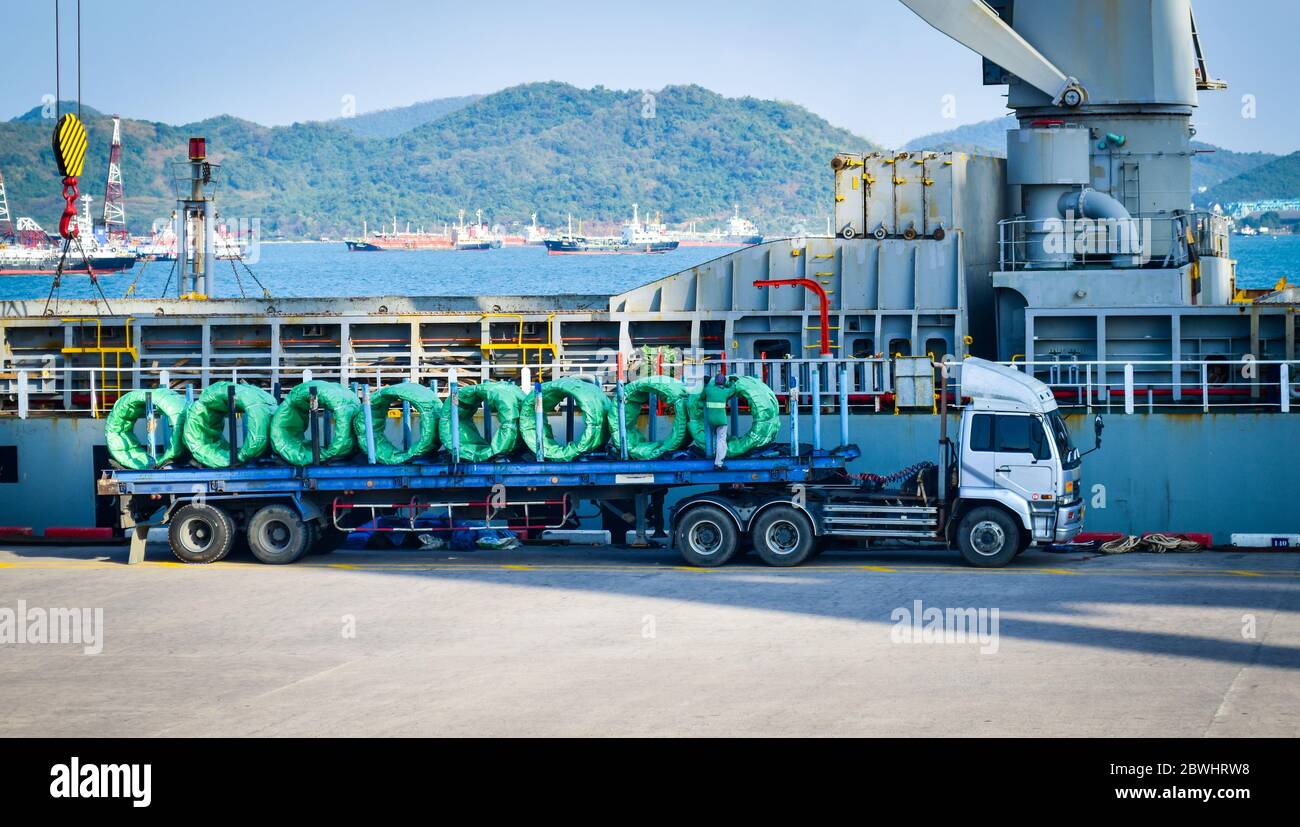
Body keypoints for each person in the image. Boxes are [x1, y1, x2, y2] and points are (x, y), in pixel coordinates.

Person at [703, 372, 732, 469]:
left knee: (715, 437)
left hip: (710, 420)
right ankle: (718, 463)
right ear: (723, 382)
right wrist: (732, 382)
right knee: (721, 440)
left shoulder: (708, 390)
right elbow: (733, 390)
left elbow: (702, 397)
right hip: (721, 421)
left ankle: (713, 453)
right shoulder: (725, 391)